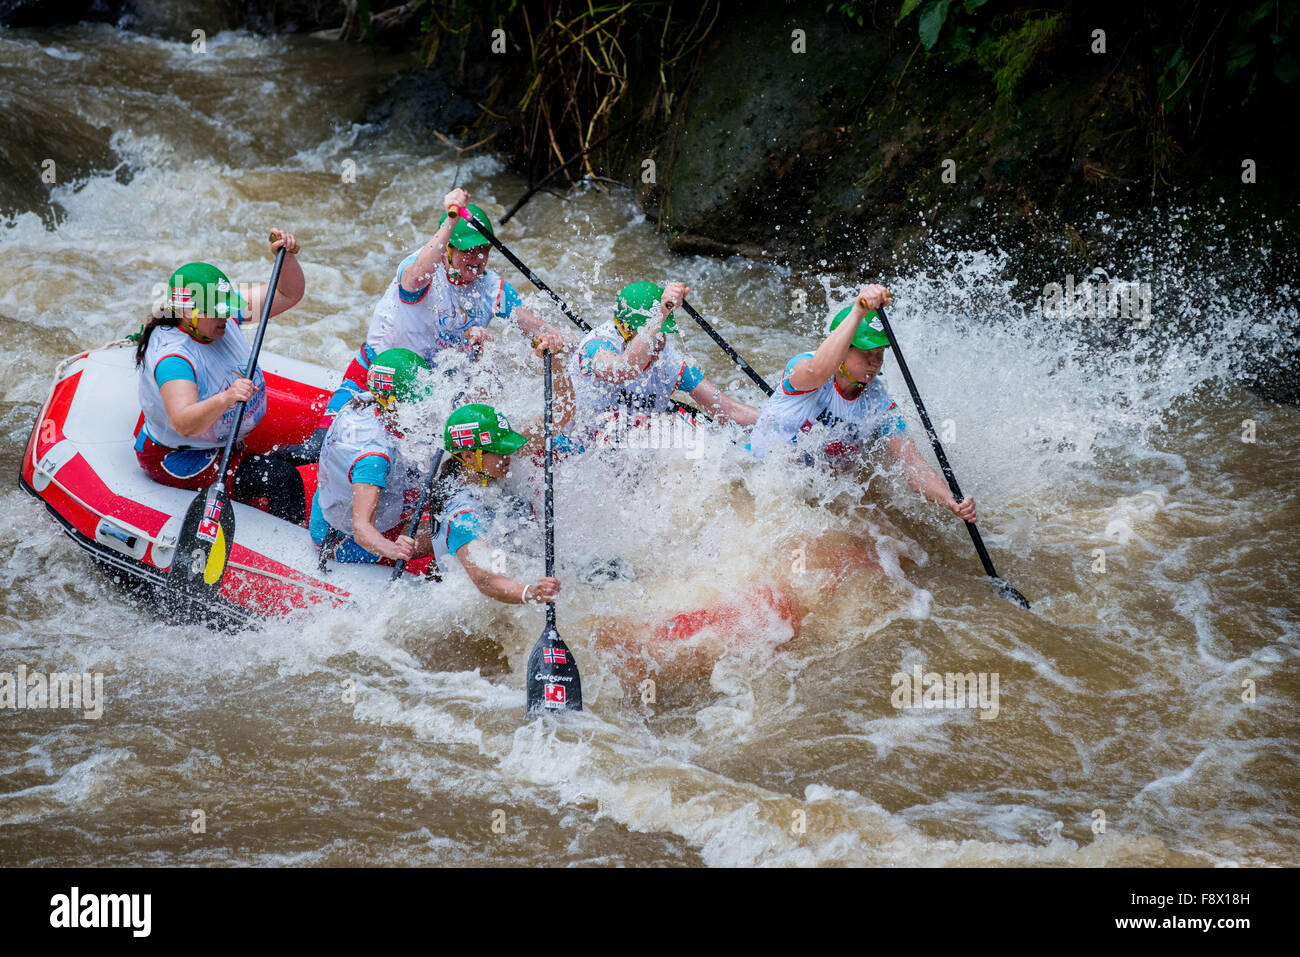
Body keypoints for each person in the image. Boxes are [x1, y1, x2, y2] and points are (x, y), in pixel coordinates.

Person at [285, 188, 569, 462]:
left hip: (426, 397)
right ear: (447, 248)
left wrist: (551, 339)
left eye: (483, 250)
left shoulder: (494, 289)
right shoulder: (423, 270)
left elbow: (534, 326)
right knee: (316, 451)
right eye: (467, 251)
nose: (477, 259)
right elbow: (415, 277)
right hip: (375, 380)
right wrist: (452, 220)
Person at [749, 285, 977, 523]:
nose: (875, 362)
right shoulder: (804, 367)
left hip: (818, 496)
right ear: (843, 351)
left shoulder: (879, 402)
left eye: (879, 353)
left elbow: (912, 465)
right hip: (761, 480)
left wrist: (949, 500)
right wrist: (858, 311)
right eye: (866, 353)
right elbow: (818, 371)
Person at [134, 230, 307, 525]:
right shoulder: (174, 359)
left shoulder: (219, 316)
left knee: (302, 455)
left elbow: (288, 294)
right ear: (187, 313)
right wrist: (227, 398)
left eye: (226, 308)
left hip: (222, 439)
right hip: (179, 455)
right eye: (217, 312)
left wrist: (286, 256)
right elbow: (184, 422)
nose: (226, 317)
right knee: (281, 477)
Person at [431, 343, 575, 605]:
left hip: (523, 568)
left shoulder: (491, 465)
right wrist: (530, 593)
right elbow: (486, 580)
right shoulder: (462, 514)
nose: (509, 456)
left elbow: (562, 413)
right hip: (494, 602)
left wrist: (555, 362)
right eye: (499, 451)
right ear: (468, 456)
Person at [568, 280, 759, 447]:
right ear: (625, 329)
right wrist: (662, 311)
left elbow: (728, 410)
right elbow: (622, 371)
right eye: (654, 331)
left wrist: (775, 423)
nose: (659, 341)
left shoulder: (669, 361)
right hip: (580, 449)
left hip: (628, 450)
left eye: (662, 331)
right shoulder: (596, 347)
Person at [310, 348, 439, 565]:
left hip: (340, 500)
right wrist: (395, 549)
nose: (421, 407)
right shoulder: (373, 458)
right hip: (343, 538)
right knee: (447, 532)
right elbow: (362, 530)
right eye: (414, 401)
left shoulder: (370, 400)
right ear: (389, 400)